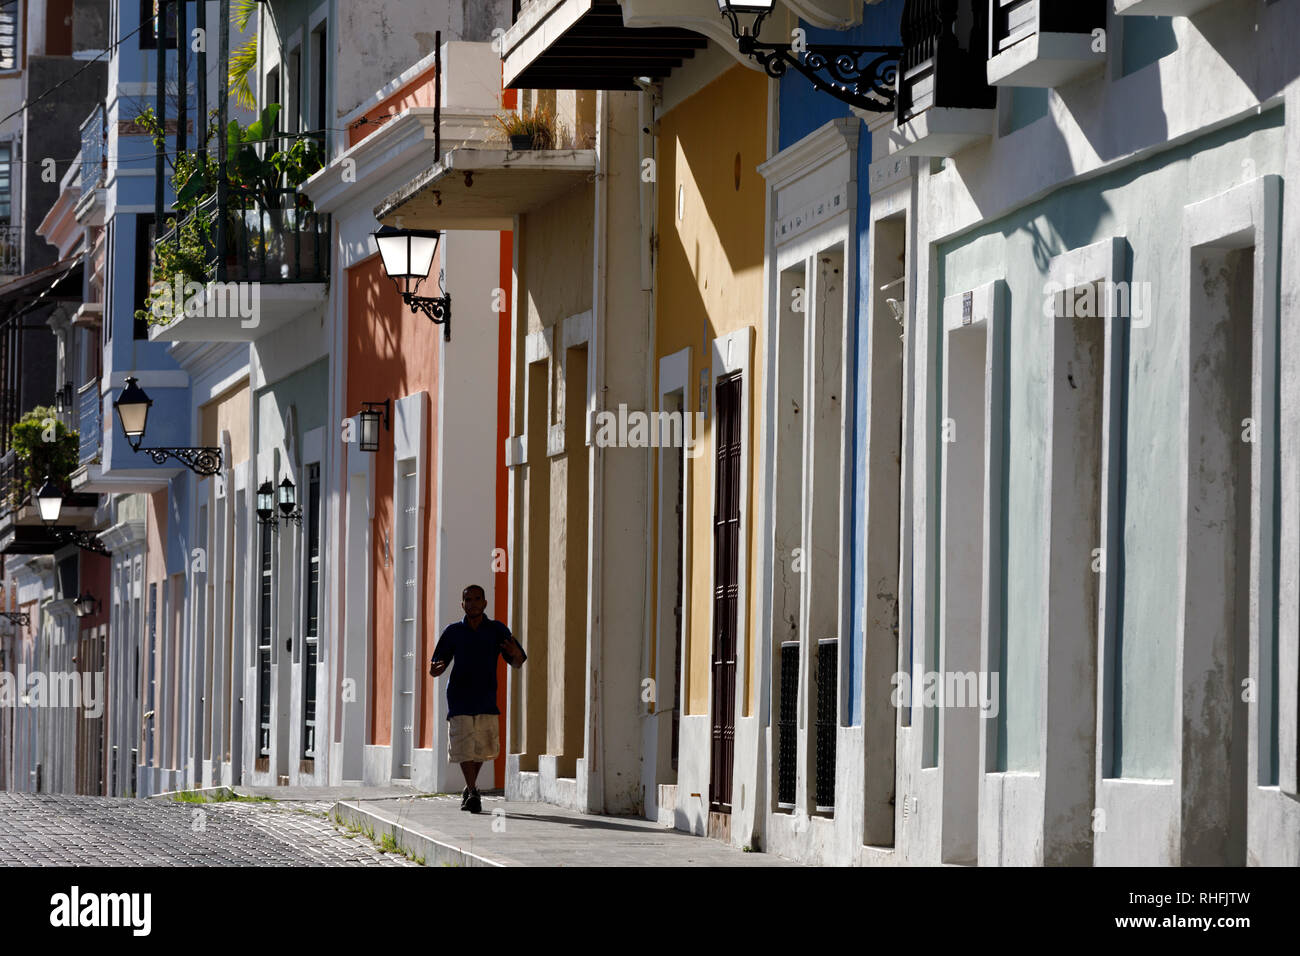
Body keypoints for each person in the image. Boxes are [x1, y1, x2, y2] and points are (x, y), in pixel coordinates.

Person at [429, 584, 526, 814]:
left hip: (486, 696)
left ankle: (469, 788)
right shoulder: (453, 632)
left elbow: (518, 660)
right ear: (462, 604)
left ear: (485, 603)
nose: (472, 603)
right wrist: (436, 669)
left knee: (481, 748)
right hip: (459, 697)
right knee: (463, 747)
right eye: (468, 600)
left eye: (477, 599)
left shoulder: (497, 630)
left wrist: (515, 654)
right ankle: (473, 792)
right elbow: (435, 668)